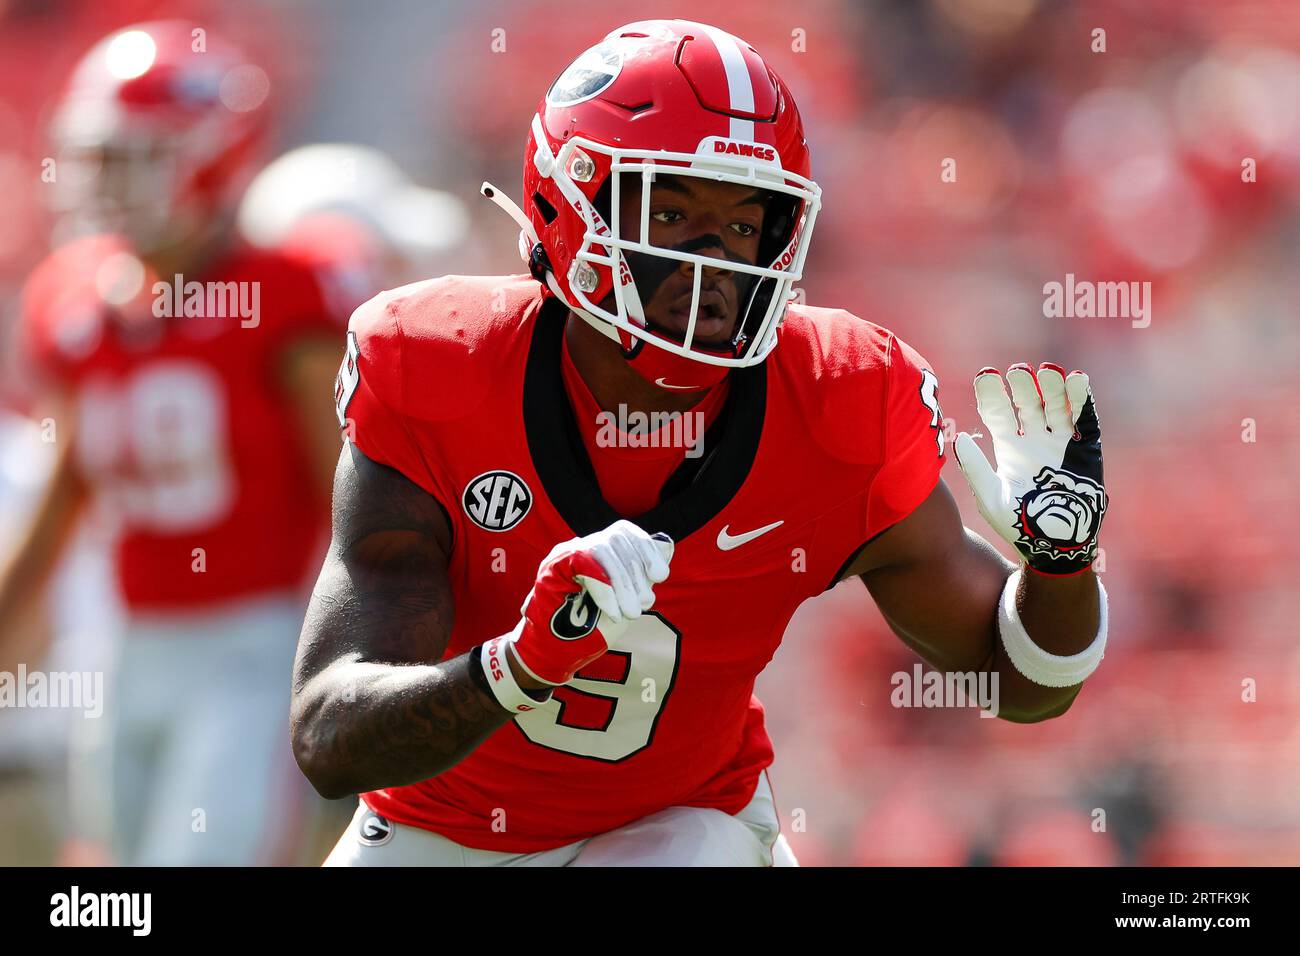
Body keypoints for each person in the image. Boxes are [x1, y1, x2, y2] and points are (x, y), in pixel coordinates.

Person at [295, 18, 1110, 867]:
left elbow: (1021, 682)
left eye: (745, 223)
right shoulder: (441, 369)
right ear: (567, 203)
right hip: (442, 832)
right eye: (673, 209)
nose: (714, 261)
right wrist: (514, 668)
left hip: (682, 829)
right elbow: (329, 737)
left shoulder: (838, 403)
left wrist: (1062, 569)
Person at [0, 21, 362, 865]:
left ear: (212, 155)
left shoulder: (287, 290)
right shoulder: (77, 300)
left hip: (253, 642)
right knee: (122, 869)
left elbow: (345, 488)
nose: (107, 182)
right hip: (125, 642)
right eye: (99, 157)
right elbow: (63, 500)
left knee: (202, 858)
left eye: (133, 156)